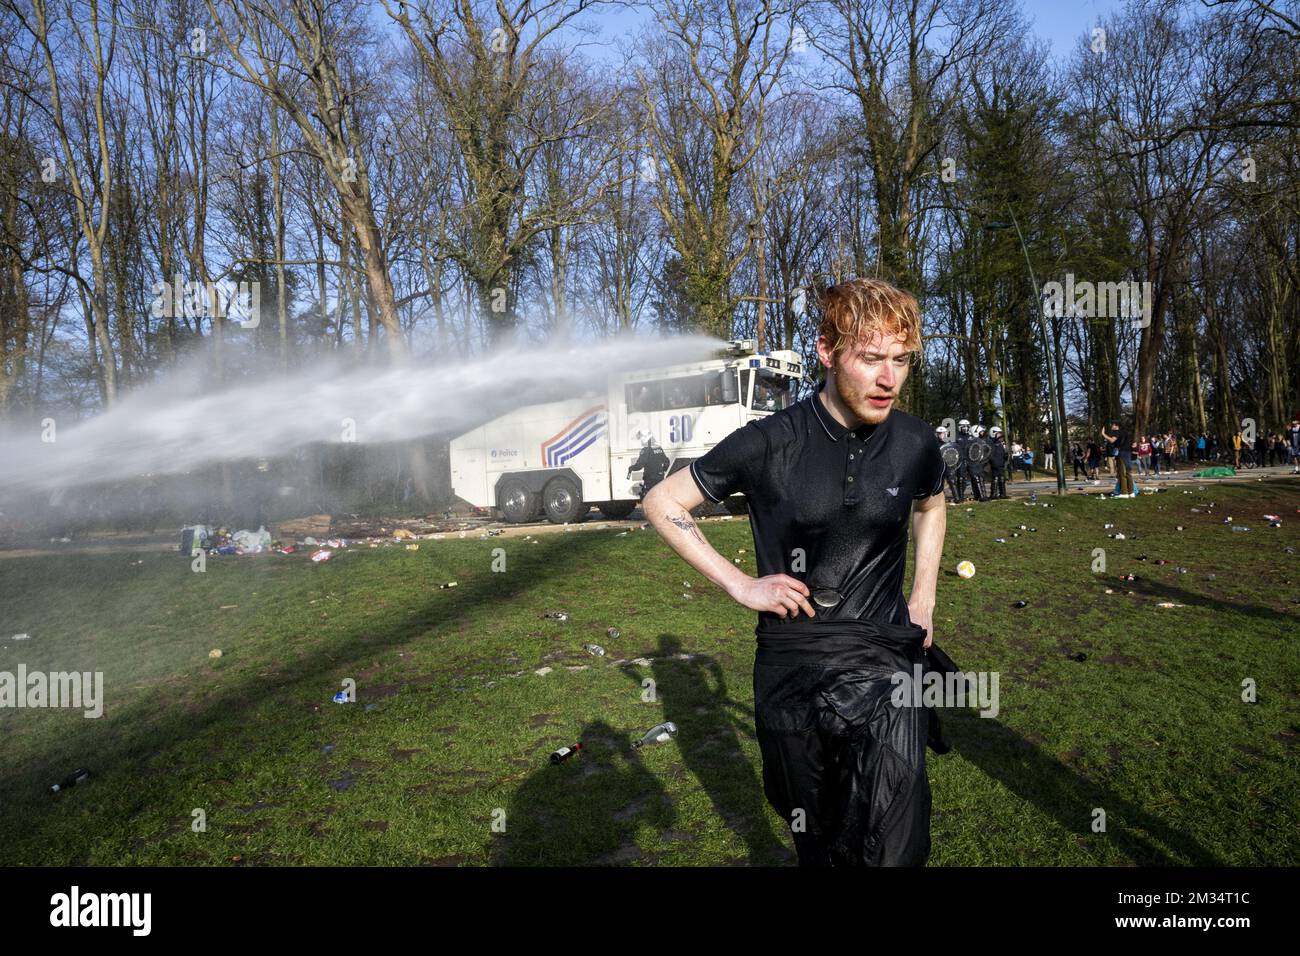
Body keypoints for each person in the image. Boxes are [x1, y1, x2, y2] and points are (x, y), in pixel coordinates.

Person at [642, 277, 949, 867]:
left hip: (883, 654)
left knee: (893, 832)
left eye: (901, 360)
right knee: (816, 830)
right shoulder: (768, 442)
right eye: (870, 359)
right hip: (792, 664)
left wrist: (924, 596)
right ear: (827, 351)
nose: (889, 379)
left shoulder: (915, 442)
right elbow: (663, 502)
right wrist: (740, 584)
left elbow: (931, 504)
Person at [1101, 418, 1134, 497]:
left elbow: (1112, 440)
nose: (1111, 426)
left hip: (1122, 454)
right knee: (1128, 473)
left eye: (1112, 425)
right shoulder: (1125, 432)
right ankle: (1131, 492)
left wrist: (1103, 434)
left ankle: (1124, 493)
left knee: (1122, 474)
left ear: (1116, 426)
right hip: (1128, 453)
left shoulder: (1116, 432)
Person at [989, 426, 1009, 498]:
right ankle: (993, 494)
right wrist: (993, 462)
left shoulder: (1000, 443)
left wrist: (1005, 456)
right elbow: (990, 455)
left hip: (1001, 464)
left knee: (1002, 478)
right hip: (995, 464)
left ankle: (1002, 494)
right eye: (998, 434)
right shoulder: (991, 443)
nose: (1000, 435)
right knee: (995, 479)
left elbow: (1003, 453)